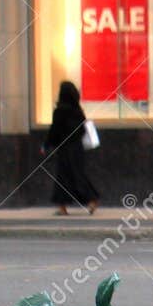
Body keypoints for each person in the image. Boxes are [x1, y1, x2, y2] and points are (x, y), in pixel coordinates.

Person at [43, 80, 98, 215]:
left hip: (64, 149)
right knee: (78, 175)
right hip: (77, 149)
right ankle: (91, 200)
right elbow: (82, 130)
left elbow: (54, 131)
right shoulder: (78, 111)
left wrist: (47, 145)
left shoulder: (59, 111)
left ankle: (63, 207)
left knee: (63, 177)